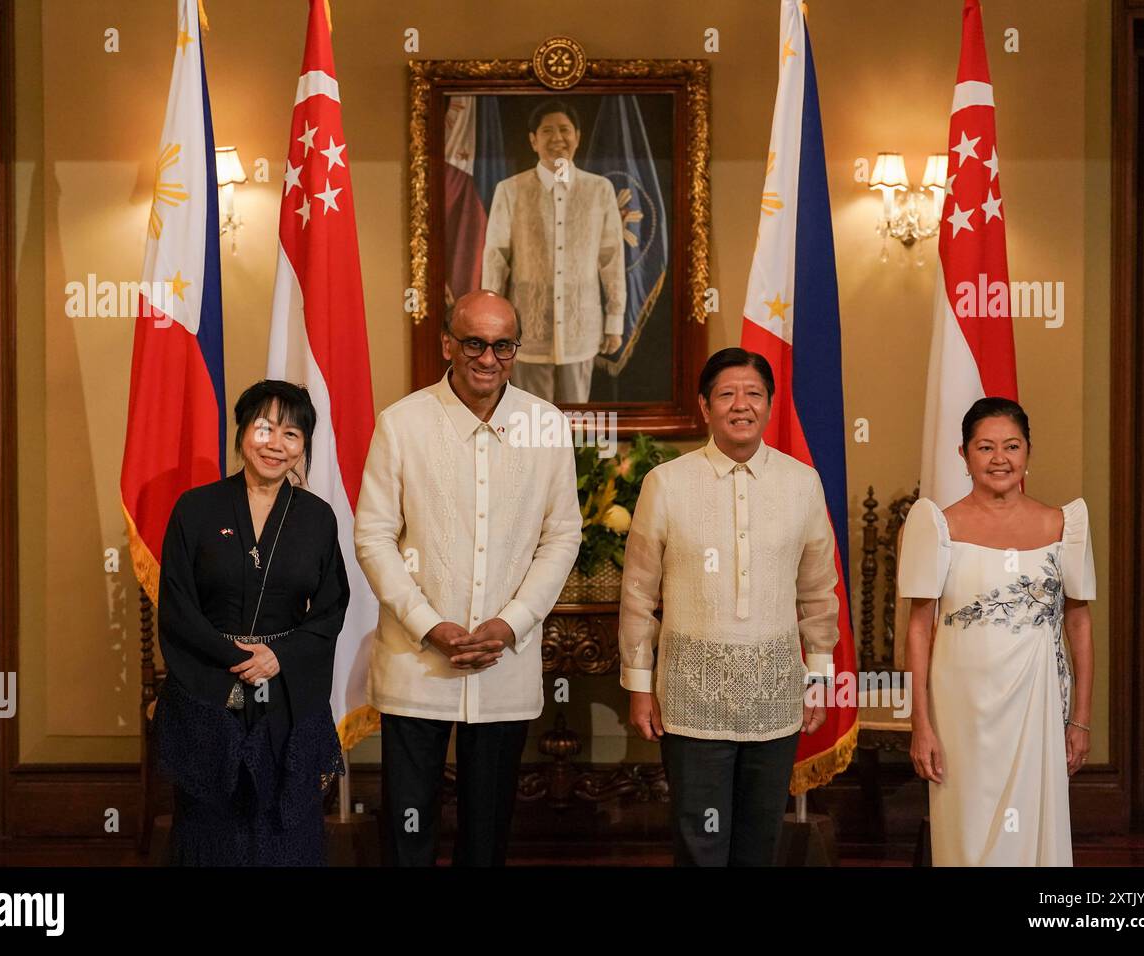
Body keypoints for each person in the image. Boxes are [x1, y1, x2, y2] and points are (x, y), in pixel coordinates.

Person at [355, 289, 582, 866]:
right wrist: (428, 625)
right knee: (409, 825)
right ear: (448, 345)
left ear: (516, 349)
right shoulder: (402, 424)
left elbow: (562, 536)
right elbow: (373, 536)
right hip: (416, 662)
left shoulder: (546, 425)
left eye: (502, 345)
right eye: (475, 343)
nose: (488, 358)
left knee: (487, 832)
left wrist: (511, 624)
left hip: (504, 663)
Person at [619, 348, 840, 866]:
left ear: (770, 404)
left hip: (775, 697)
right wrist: (637, 685)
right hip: (690, 698)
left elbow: (817, 591)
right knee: (700, 843)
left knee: (758, 842)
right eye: (726, 394)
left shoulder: (801, 483)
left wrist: (819, 680)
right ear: (704, 406)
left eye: (753, 393)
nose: (741, 405)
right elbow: (637, 594)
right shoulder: (667, 484)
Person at [154, 380, 349, 866]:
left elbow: (331, 607)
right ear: (243, 431)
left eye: (291, 434)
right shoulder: (195, 509)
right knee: (211, 823)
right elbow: (177, 604)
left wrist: (278, 658)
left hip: (286, 688)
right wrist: (238, 658)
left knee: (286, 822)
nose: (275, 444)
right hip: (208, 686)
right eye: (264, 428)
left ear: (303, 446)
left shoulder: (317, 517)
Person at [898, 397, 1096, 866]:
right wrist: (920, 724)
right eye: (985, 447)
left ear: (1029, 451)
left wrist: (1081, 719)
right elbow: (919, 628)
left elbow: (1079, 622)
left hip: (1038, 705)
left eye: (1012, 446)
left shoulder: (1063, 525)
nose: (1000, 458)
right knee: (967, 835)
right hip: (959, 711)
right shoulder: (937, 525)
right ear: (963, 455)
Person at [481, 98, 626, 404]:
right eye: (547, 131)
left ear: (578, 136)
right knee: (531, 423)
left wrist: (615, 320)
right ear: (534, 140)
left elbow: (611, 258)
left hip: (581, 327)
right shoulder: (510, 190)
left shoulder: (599, 190)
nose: (557, 138)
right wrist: (490, 324)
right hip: (529, 329)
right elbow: (496, 259)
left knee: (575, 424)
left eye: (565, 130)